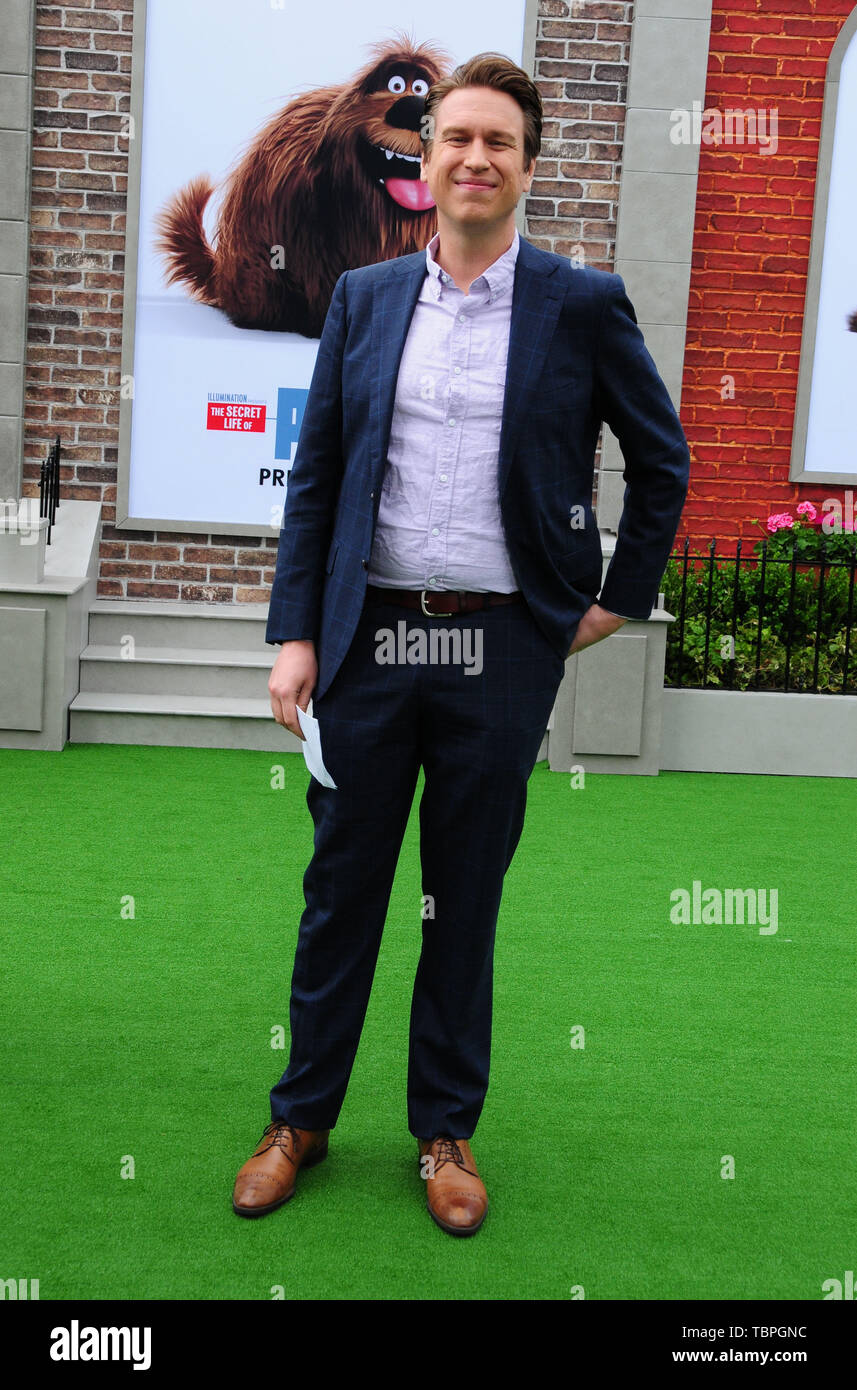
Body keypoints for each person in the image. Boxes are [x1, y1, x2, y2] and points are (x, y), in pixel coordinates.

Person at [232, 52, 690, 1236]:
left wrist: (610, 601)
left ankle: (443, 1130)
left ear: (527, 169)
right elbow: (319, 477)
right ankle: (300, 1118)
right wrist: (295, 636)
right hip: (368, 645)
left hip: (497, 652)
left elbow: (661, 458)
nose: (473, 158)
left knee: (459, 900)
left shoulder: (579, 306)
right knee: (340, 892)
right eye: (455, 140)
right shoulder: (365, 302)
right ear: (424, 163)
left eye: (497, 142)